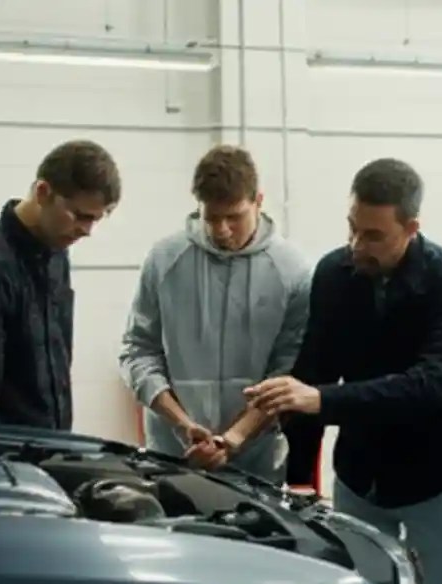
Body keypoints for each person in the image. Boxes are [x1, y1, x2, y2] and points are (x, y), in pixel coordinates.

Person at [244, 158, 442, 584]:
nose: (357, 243)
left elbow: (430, 385)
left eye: (373, 234)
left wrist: (323, 401)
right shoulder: (333, 274)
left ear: (411, 229)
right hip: (359, 479)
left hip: (438, 478)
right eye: (352, 226)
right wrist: (301, 476)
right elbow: (313, 369)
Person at [118, 144, 310, 482]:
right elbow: (138, 351)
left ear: (258, 201)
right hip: (173, 453)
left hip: (256, 460)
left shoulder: (292, 270)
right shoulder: (164, 259)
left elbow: (288, 369)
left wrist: (233, 439)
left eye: (234, 217)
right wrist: (182, 423)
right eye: (212, 218)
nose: (221, 230)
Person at [0, 139, 120, 430]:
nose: (86, 231)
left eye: (95, 219)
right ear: (43, 192)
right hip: (4, 465)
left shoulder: (56, 253)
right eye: (80, 216)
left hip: (50, 450)